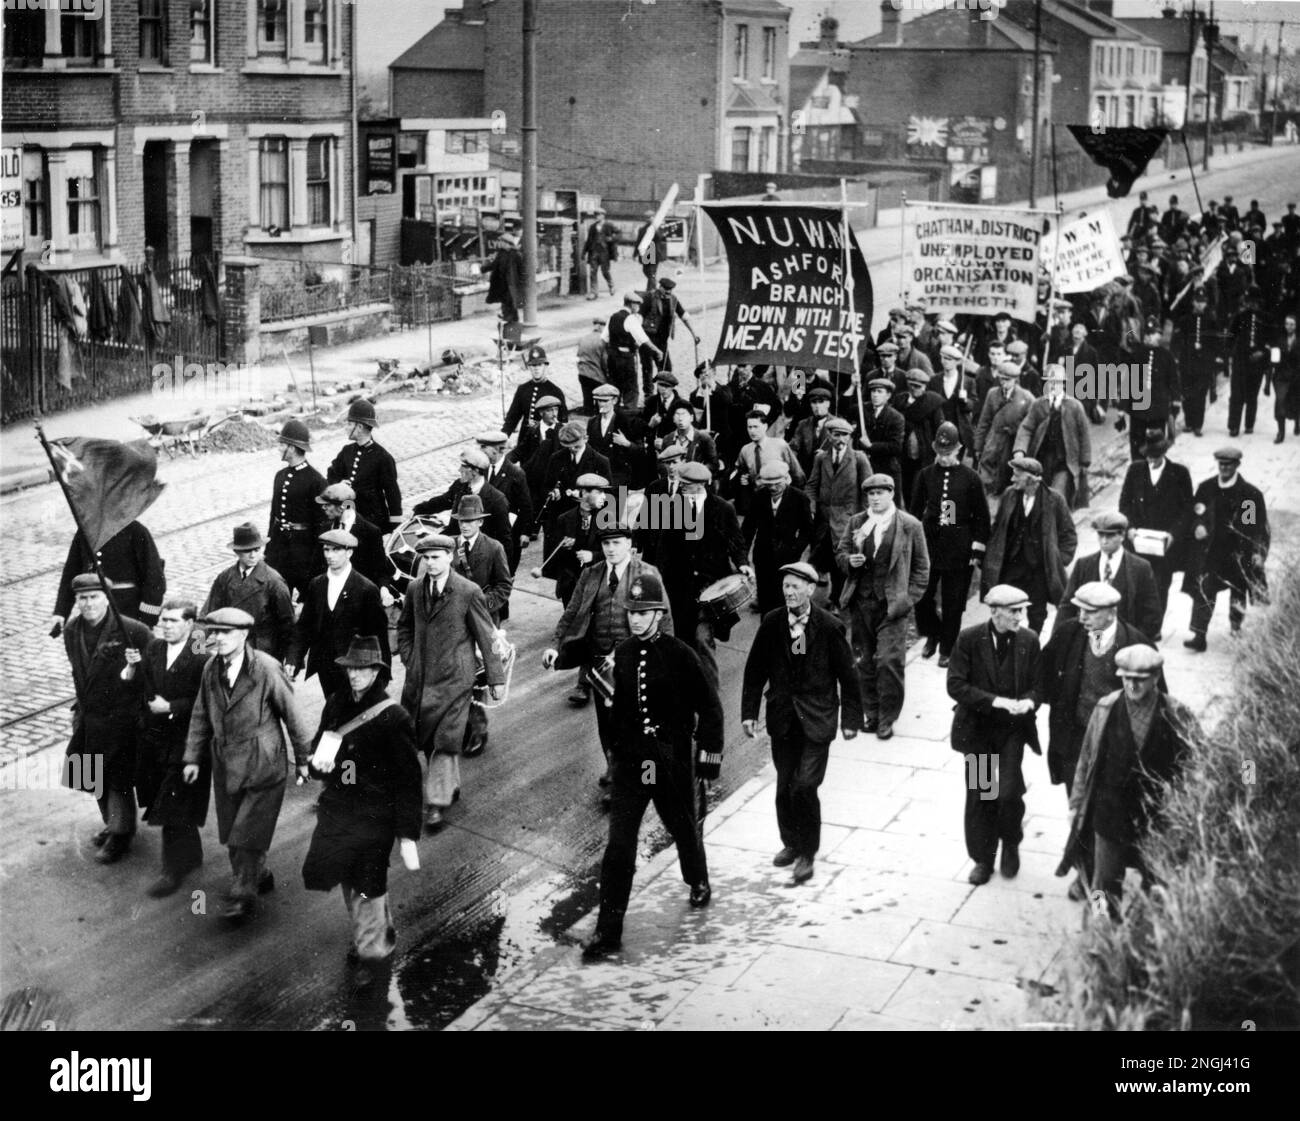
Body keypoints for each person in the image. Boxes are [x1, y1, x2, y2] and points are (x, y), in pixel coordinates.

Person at [582, 572, 722, 959]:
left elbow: (710, 707)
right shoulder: (623, 653)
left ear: (659, 613)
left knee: (682, 828)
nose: (636, 620)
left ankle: (697, 879)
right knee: (618, 850)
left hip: (668, 763)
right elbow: (615, 711)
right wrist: (615, 748)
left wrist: (708, 759)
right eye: (631, 613)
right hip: (632, 766)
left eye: (644, 613)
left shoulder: (681, 654)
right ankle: (607, 932)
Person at [182, 607, 312, 921]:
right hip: (225, 763)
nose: (218, 639)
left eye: (225, 633)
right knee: (230, 830)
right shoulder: (211, 669)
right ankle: (258, 873)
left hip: (262, 762)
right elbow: (201, 715)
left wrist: (304, 760)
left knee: (246, 833)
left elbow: (292, 714)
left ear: (243, 635)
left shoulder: (266, 669)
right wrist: (192, 758)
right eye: (214, 633)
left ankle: (243, 893)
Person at [302, 635, 423, 965]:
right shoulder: (338, 703)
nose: (354, 674)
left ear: (376, 672)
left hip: (374, 817)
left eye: (362, 668)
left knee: (367, 881)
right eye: (350, 668)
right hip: (338, 810)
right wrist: (319, 764)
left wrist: (408, 835)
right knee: (347, 875)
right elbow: (318, 750)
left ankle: (372, 951)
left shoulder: (394, 718)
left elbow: (409, 782)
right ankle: (374, 932)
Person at [1056, 645, 1199, 920]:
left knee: (1157, 881)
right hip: (1110, 812)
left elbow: (1203, 758)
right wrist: (1076, 803)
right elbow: (1087, 758)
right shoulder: (1106, 708)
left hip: (1158, 816)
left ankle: (1145, 938)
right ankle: (1100, 932)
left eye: (1140, 679)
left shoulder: (1175, 712)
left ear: (1156, 678)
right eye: (1126, 677)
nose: (1132, 684)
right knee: (1102, 884)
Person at [741, 562, 862, 885]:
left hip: (817, 718)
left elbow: (849, 678)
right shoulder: (772, 623)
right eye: (785, 587)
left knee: (805, 786)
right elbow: (755, 671)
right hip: (783, 719)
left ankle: (807, 851)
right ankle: (791, 843)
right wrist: (749, 713)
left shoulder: (829, 627)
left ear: (811, 589)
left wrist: (851, 719)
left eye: (796, 586)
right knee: (784, 786)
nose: (789, 592)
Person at [544, 524, 672, 793]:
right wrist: (555, 645)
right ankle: (614, 768)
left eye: (616, 543)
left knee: (633, 720)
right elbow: (572, 612)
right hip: (600, 660)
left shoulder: (647, 574)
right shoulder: (591, 574)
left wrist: (664, 658)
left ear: (629, 544)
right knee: (608, 720)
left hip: (636, 660)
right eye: (606, 544)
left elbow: (664, 618)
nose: (611, 549)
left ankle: (628, 772)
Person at [397, 533, 504, 830]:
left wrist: (496, 678)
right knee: (427, 741)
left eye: (436, 557)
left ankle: (436, 803)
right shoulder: (415, 588)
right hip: (420, 681)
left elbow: (487, 635)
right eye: (426, 558)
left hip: (456, 681)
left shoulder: (468, 592)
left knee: (445, 739)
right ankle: (448, 785)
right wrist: (409, 656)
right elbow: (404, 626)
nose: (430, 563)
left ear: (450, 557)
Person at [947, 585, 1042, 886]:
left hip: (1012, 732)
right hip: (978, 732)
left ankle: (1011, 841)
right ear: (995, 612)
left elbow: (1039, 684)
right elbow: (956, 685)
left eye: (1023, 610)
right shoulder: (969, 639)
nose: (1021, 616)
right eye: (1015, 611)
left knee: (1009, 792)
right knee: (982, 794)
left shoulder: (1029, 640)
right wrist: (993, 701)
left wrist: (1030, 700)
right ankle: (983, 858)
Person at [1040, 582, 1158, 811]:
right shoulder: (974, 644)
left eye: (1089, 612)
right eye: (1015, 612)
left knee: (1102, 804)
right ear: (993, 611)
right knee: (990, 794)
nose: (1082, 617)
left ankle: (1003, 837)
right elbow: (1040, 675)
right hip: (986, 748)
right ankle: (995, 841)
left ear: (1112, 612)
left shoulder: (1136, 644)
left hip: (1112, 737)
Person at [61, 573, 153, 865]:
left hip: (121, 719)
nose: (88, 604)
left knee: (117, 778)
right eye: (82, 599)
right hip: (90, 716)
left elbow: (151, 675)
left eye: (94, 597)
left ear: (107, 598)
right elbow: (79, 672)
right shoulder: (72, 629)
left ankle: (121, 834)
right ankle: (113, 824)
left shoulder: (133, 631)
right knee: (91, 774)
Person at [836, 474, 930, 740]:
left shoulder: (909, 525)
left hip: (892, 607)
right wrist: (848, 561)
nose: (875, 498)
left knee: (889, 662)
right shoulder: (858, 522)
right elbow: (840, 552)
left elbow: (922, 567)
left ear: (891, 494)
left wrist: (908, 598)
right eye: (871, 494)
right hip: (862, 602)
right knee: (864, 661)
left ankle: (888, 719)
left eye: (880, 493)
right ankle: (872, 713)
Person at [127, 598, 209, 897]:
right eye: (163, 620)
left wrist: (171, 706)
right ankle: (192, 855)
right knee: (174, 801)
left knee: (171, 806)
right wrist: (133, 667)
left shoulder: (201, 654)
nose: (165, 626)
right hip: (155, 740)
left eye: (172, 621)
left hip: (187, 742)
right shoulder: (154, 648)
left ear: (190, 623)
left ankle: (172, 870)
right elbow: (144, 684)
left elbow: (205, 699)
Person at [653, 461, 749, 695]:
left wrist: (744, 564)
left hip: (711, 586)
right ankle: (687, 694)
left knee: (703, 639)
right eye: (682, 485)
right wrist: (657, 578)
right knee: (683, 640)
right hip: (679, 586)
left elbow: (735, 542)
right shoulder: (672, 507)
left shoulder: (722, 508)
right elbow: (664, 547)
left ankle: (710, 698)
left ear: (703, 484)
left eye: (688, 486)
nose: (683, 489)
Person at [911, 422, 990, 667]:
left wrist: (976, 548)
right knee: (922, 596)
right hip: (930, 546)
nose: (944, 458)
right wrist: (914, 543)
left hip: (960, 549)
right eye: (940, 453)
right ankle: (933, 633)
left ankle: (947, 647)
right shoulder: (925, 475)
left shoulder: (971, 478)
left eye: (949, 454)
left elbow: (982, 517)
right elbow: (914, 512)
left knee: (953, 601)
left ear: (958, 451)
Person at [286, 530, 390, 702]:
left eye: (336, 550)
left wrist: (380, 677)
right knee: (334, 711)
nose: (329, 555)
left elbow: (379, 637)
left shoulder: (366, 589)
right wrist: (293, 658)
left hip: (356, 669)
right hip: (325, 667)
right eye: (326, 550)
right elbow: (305, 626)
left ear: (349, 552)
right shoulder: (317, 585)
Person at [1183, 446, 1269, 651]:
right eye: (1221, 464)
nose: (1224, 468)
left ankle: (1236, 627)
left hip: (1237, 553)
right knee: (1204, 590)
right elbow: (1196, 515)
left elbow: (1254, 527)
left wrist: (1257, 553)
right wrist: (1198, 527)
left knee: (1238, 591)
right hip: (1211, 552)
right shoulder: (1206, 488)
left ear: (1237, 465)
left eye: (1228, 465)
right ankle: (1199, 635)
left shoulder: (1249, 494)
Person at [982, 455, 1078, 635]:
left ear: (1030, 478)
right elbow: (997, 527)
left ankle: (1030, 650)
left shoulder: (1054, 500)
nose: (1012, 479)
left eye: (1016, 475)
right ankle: (1006, 646)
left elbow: (1069, 535)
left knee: (1037, 615)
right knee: (1005, 608)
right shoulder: (1009, 495)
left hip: (1038, 571)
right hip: (1012, 566)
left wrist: (1058, 560)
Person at [449, 493, 512, 756]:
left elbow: (504, 585)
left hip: (483, 618)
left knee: (478, 675)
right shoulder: (450, 547)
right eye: (462, 520)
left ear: (480, 522)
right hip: (453, 619)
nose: (465, 525)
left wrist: (482, 605)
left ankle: (477, 729)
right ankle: (461, 726)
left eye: (471, 520)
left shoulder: (493, 547)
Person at [1117, 435, 1194, 618]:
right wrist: (1130, 529)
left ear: (1164, 453)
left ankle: (1154, 626)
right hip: (1138, 541)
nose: (1151, 460)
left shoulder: (1179, 473)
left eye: (1156, 456)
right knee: (1134, 582)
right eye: (1148, 456)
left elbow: (1187, 511)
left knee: (1160, 584)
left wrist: (1173, 535)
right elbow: (1124, 504)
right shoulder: (1135, 470)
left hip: (1163, 543)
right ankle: (1135, 622)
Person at [1058, 512, 1163, 641]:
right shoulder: (1083, 565)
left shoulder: (1140, 568)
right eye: (1100, 535)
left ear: (1122, 535)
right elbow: (1067, 606)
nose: (1104, 541)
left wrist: (1134, 640)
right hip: (1087, 640)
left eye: (1110, 535)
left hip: (1123, 641)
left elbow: (1152, 614)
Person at [201, 523, 295, 663]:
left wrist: (290, 660)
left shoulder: (274, 582)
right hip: (230, 648)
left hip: (262, 652)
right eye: (247, 551)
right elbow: (205, 616)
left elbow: (288, 624)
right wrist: (196, 649)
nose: (253, 555)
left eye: (257, 550)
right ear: (237, 552)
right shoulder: (225, 578)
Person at [52, 521, 165, 634]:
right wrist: (61, 612)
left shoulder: (135, 530)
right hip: (93, 612)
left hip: (128, 611)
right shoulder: (86, 531)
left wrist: (146, 620)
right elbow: (71, 572)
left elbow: (154, 578)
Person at [807, 416, 870, 608]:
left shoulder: (859, 459)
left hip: (847, 520)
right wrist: (811, 507)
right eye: (836, 435)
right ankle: (830, 598)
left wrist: (865, 520)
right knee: (821, 559)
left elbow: (868, 489)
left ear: (850, 438)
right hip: (824, 520)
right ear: (829, 436)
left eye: (845, 436)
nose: (841, 440)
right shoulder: (821, 458)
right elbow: (811, 485)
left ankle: (838, 600)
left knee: (841, 562)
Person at [1014, 363, 1091, 509]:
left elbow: (1084, 435)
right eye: (1050, 382)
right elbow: (1026, 428)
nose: (1053, 386)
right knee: (1038, 494)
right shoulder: (1039, 405)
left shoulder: (1074, 406)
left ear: (1064, 384)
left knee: (1057, 494)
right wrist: (1020, 450)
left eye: (1057, 383)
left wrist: (1085, 461)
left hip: (1065, 461)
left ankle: (1057, 525)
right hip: (1042, 459)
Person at [265, 419, 326, 599]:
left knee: (308, 601)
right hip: (280, 551)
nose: (278, 449)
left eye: (281, 445)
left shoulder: (316, 480)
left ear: (291, 448)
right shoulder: (280, 476)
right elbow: (273, 516)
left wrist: (317, 560)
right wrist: (269, 550)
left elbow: (320, 523)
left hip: (303, 553)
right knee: (276, 598)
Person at [744, 461, 814, 616]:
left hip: (788, 558)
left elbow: (807, 531)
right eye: (769, 485)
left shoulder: (799, 498)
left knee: (785, 599)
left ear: (786, 479)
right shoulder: (759, 497)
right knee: (765, 601)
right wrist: (744, 560)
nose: (773, 488)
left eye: (777, 484)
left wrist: (795, 550)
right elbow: (748, 529)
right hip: (762, 556)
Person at [414, 446, 513, 548]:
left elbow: (504, 538)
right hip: (455, 546)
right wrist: (420, 508)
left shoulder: (497, 499)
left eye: (463, 467)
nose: (459, 469)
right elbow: (443, 501)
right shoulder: (459, 486)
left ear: (475, 471)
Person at [327, 400, 402, 530]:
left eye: (349, 424)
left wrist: (395, 524)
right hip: (348, 517)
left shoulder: (382, 457)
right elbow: (332, 473)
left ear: (360, 427)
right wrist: (339, 484)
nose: (346, 428)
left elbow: (392, 493)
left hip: (373, 520)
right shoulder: (347, 451)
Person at [314, 482, 395, 598]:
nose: (323, 508)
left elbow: (381, 569)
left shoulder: (371, 532)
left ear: (342, 506)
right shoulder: (325, 529)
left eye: (327, 505)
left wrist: (384, 589)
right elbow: (315, 567)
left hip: (359, 596)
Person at [540, 422, 612, 539]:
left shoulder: (600, 461)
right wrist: (553, 492)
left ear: (586, 439)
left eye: (576, 446)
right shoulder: (556, 458)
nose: (572, 449)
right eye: (568, 447)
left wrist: (587, 496)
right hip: (560, 518)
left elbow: (609, 494)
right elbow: (546, 486)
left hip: (586, 519)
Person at [975, 362, 1035, 497]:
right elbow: (984, 421)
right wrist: (978, 446)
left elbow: (1031, 425)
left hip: (1014, 441)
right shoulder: (992, 394)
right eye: (1001, 379)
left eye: (1007, 380)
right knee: (987, 469)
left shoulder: (1027, 397)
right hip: (994, 439)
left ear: (1016, 380)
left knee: (1008, 473)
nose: (1003, 383)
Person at [731, 409, 804, 519]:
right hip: (758, 501)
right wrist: (742, 478)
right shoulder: (745, 450)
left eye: (756, 427)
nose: (752, 431)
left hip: (780, 499)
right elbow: (740, 471)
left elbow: (797, 473)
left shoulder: (780, 445)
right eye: (749, 427)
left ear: (765, 426)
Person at [478, 430, 534, 573]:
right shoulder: (481, 470)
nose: (481, 451)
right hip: (485, 532)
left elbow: (526, 506)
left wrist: (526, 532)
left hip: (508, 534)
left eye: (484, 447)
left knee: (504, 573)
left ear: (498, 450)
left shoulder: (515, 473)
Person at [895, 368, 946, 509]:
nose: (919, 389)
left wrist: (940, 452)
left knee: (923, 484)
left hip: (925, 452)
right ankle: (911, 512)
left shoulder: (932, 402)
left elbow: (941, 429)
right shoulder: (900, 401)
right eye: (915, 386)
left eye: (922, 386)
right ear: (909, 385)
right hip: (904, 453)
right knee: (906, 483)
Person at [1171, 288, 1219, 437]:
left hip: (1204, 364)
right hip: (1188, 363)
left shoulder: (1211, 321)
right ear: (1193, 302)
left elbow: (1215, 342)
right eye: (1198, 302)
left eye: (1203, 302)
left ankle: (1198, 424)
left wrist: (1214, 358)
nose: (1200, 305)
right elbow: (1176, 340)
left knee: (1200, 395)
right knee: (1187, 394)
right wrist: (1177, 355)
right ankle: (1189, 422)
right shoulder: (1185, 320)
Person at [639, 277, 700, 392]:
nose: (668, 292)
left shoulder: (673, 299)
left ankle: (662, 393)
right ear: (660, 287)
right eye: (666, 289)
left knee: (666, 368)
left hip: (662, 340)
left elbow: (684, 316)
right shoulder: (649, 297)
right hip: (647, 339)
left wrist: (694, 333)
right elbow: (639, 317)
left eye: (670, 289)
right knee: (647, 368)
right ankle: (648, 394)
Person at [604, 293, 662, 410]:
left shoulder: (613, 316)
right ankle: (630, 416)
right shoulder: (630, 318)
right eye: (637, 305)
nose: (639, 308)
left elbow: (605, 338)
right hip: (625, 358)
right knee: (631, 390)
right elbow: (643, 338)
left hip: (613, 358)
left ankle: (613, 415)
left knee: (614, 388)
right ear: (632, 305)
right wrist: (657, 351)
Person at [587, 382, 648, 492]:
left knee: (619, 507)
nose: (601, 404)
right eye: (599, 401)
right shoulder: (592, 422)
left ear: (614, 401)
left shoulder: (626, 421)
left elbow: (641, 450)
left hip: (620, 477)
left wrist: (626, 443)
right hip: (599, 476)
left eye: (605, 401)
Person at [1226, 289, 1269, 437]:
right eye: (1250, 302)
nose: (1253, 305)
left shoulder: (1266, 319)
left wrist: (1263, 352)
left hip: (1257, 363)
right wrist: (1228, 355)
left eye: (1256, 302)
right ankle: (1233, 426)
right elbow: (1230, 337)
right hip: (1240, 360)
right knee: (1236, 394)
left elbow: (1272, 341)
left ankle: (1249, 424)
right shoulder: (1240, 317)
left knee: (1252, 395)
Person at [503, 346, 569, 435]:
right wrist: (504, 435)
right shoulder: (522, 389)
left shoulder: (555, 391)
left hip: (545, 440)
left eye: (540, 365)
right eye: (533, 365)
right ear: (529, 367)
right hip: (525, 438)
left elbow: (562, 423)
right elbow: (512, 417)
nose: (536, 368)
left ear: (545, 366)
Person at [788, 385, 833, 475]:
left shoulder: (837, 424)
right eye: (814, 402)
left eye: (821, 402)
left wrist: (827, 455)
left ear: (828, 404)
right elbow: (793, 447)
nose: (817, 406)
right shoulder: (803, 424)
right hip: (806, 472)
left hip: (829, 472)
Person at [486, 230, 524, 323]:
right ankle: (508, 320)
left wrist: (521, 283)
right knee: (505, 303)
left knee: (510, 304)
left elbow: (522, 270)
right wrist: (482, 269)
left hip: (512, 284)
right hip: (502, 283)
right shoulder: (501, 253)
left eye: (502, 242)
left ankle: (512, 325)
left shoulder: (516, 255)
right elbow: (494, 265)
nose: (500, 243)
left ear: (507, 243)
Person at [641, 371, 691, 437]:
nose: (663, 389)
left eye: (667, 386)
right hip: (654, 444)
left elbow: (689, 432)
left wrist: (666, 442)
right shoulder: (650, 402)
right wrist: (650, 425)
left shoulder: (683, 405)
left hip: (676, 445)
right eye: (660, 385)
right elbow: (641, 430)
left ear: (673, 387)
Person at [576, 318, 609, 414]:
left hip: (582, 374)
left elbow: (578, 355)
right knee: (600, 405)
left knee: (588, 401)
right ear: (601, 326)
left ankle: (587, 411)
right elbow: (605, 362)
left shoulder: (584, 338)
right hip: (597, 377)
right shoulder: (603, 340)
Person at [583, 210, 617, 299]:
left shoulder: (609, 225)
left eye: (599, 215)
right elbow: (588, 240)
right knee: (592, 272)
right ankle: (594, 292)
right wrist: (584, 252)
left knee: (605, 271)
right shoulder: (592, 227)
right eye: (596, 215)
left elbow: (618, 234)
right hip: (594, 252)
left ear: (603, 216)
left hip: (604, 252)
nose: (597, 216)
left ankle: (611, 286)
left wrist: (611, 238)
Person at [634, 210, 669, 287]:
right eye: (646, 218)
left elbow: (660, 238)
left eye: (650, 217)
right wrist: (635, 254)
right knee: (646, 271)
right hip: (645, 253)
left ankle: (651, 290)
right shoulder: (642, 229)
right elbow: (638, 242)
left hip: (654, 253)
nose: (648, 219)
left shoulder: (658, 228)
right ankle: (653, 285)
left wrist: (655, 228)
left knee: (652, 272)